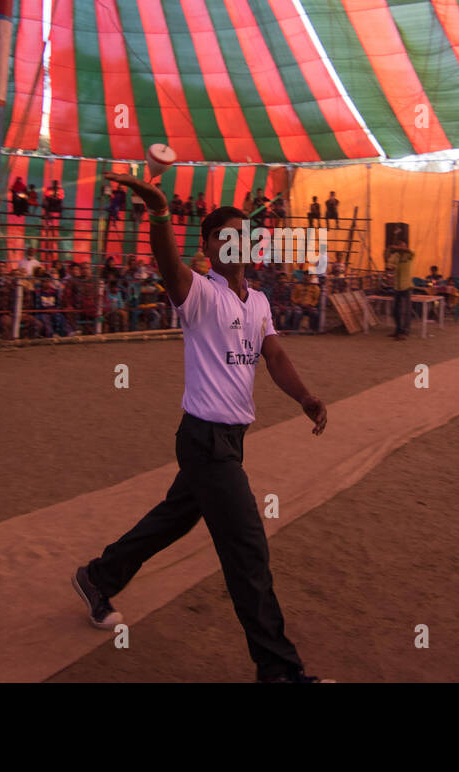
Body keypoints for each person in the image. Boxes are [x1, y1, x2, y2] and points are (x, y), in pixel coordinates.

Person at [74, 174, 330, 683]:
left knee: (173, 519)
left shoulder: (257, 302)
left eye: (244, 234)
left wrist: (304, 396)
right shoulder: (200, 295)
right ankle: (278, 671)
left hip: (228, 442)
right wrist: (160, 215)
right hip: (205, 441)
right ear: (209, 247)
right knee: (247, 549)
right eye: (224, 235)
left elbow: (273, 354)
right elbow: (170, 270)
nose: (237, 242)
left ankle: (98, 576)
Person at [386, 237, 415, 340]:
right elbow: (390, 266)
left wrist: (397, 247)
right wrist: (388, 252)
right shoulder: (395, 256)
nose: (402, 248)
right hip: (397, 287)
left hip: (407, 287)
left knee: (405, 311)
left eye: (403, 246)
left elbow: (408, 250)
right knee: (395, 310)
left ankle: (404, 332)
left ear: (406, 246)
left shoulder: (410, 254)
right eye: (400, 245)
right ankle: (398, 330)